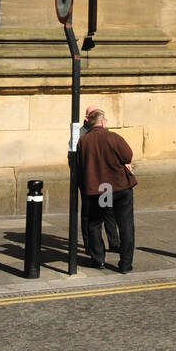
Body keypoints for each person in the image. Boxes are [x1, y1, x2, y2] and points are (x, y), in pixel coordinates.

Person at [76, 109, 136, 272]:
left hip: (102, 189)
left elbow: (80, 165)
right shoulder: (113, 137)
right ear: (102, 122)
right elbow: (127, 156)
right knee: (125, 225)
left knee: (95, 224)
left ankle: (99, 259)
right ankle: (125, 264)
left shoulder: (83, 141)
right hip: (120, 187)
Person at [78, 104, 116, 258]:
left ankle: (114, 243)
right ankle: (90, 246)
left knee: (108, 212)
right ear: (87, 118)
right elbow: (74, 159)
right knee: (89, 217)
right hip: (89, 182)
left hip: (105, 183)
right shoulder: (80, 134)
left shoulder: (105, 133)